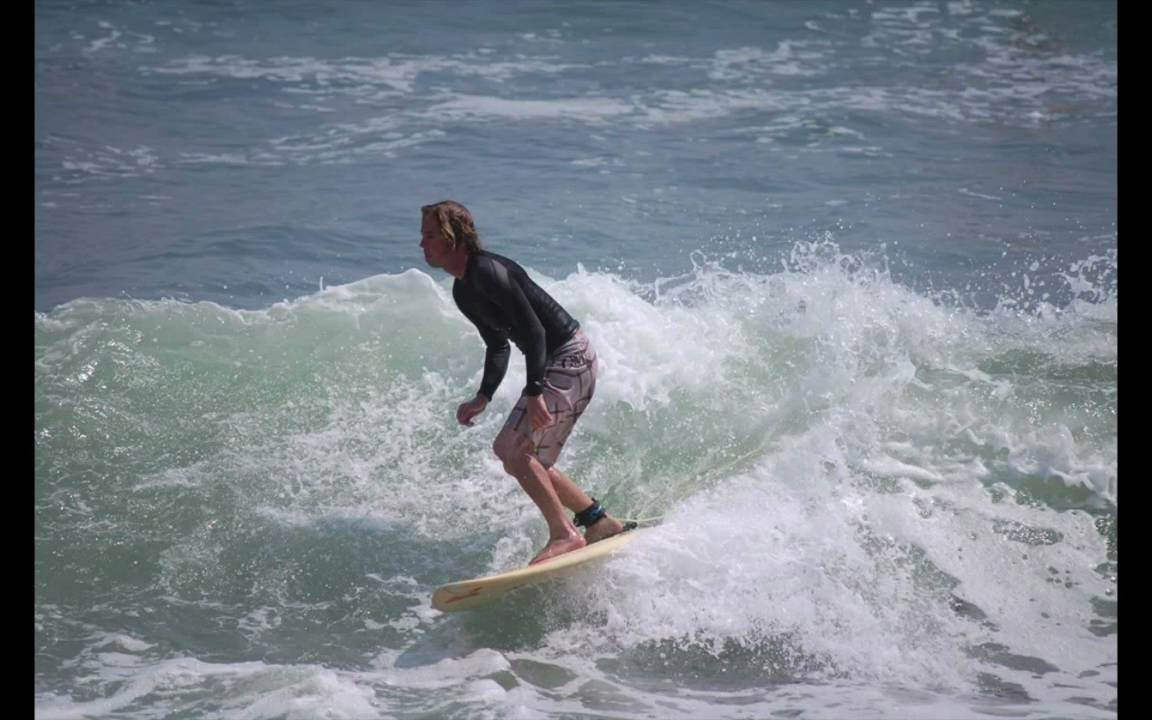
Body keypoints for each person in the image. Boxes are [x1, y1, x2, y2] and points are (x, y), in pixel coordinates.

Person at [419, 200, 631, 564]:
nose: (422, 244)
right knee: (525, 459)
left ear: (453, 236)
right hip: (559, 362)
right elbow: (498, 345)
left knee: (510, 449)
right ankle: (598, 523)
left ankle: (565, 534)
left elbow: (534, 331)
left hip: (569, 356)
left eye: (430, 235)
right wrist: (482, 396)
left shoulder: (487, 271)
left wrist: (534, 392)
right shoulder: (463, 290)